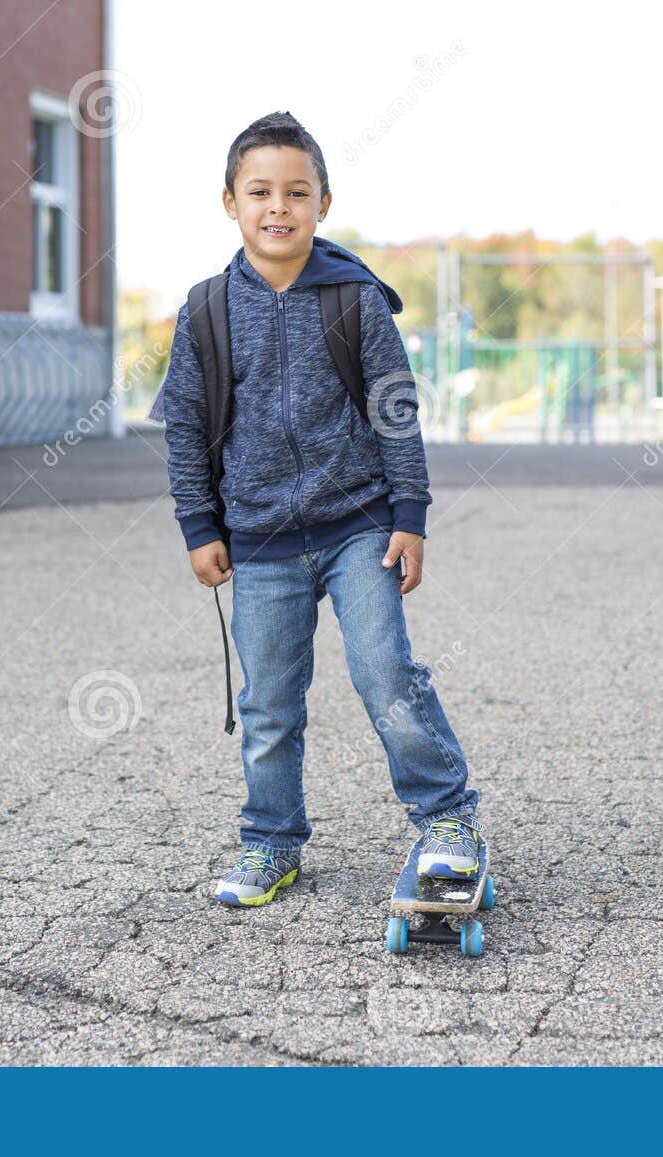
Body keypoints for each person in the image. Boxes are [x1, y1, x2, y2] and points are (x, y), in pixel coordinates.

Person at [152, 110, 481, 907]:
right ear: (229, 201)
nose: (278, 207)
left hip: (358, 527)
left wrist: (411, 512)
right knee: (266, 703)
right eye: (259, 191)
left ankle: (447, 821)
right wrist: (199, 527)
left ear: (323, 203)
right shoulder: (203, 313)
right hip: (258, 541)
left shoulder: (355, 300)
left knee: (385, 673)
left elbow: (395, 410)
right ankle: (271, 842)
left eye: (296, 192)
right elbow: (186, 431)